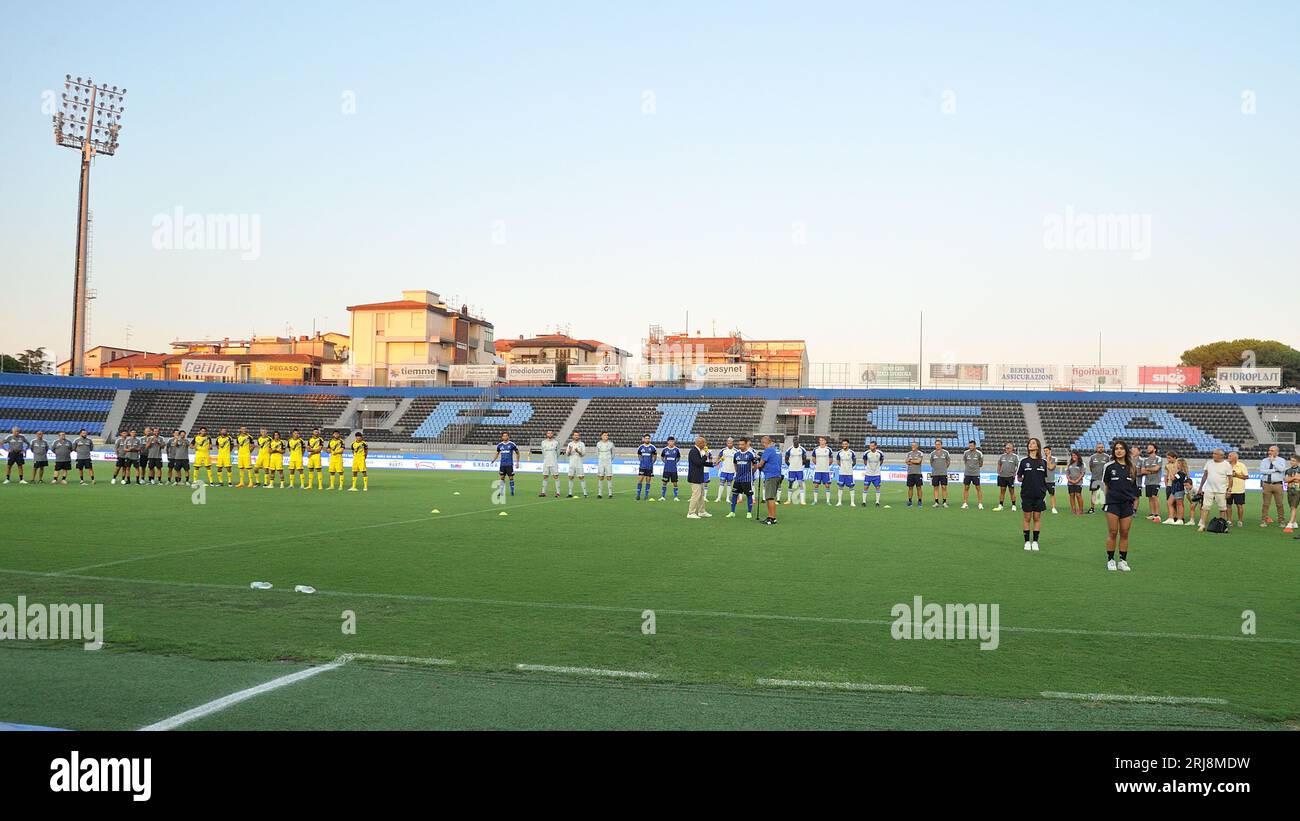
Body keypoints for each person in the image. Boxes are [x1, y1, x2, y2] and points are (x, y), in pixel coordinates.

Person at [1102, 440, 1140, 571]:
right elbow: (1106, 486)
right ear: (1114, 451)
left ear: (1126, 451)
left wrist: (1134, 506)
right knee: (1113, 532)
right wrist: (1105, 502)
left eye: (1121, 448)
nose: (1119, 450)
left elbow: (1134, 488)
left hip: (1127, 505)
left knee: (1124, 533)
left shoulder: (1132, 468)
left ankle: (1123, 561)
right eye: (1116, 448)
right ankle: (1110, 559)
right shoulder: (1109, 466)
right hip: (1113, 504)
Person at [1016, 438, 1048, 551]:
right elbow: (1019, 477)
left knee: (1037, 518)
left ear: (1038, 446)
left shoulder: (1043, 462)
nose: (1030, 444)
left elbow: (1044, 478)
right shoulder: (1024, 461)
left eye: (1033, 443)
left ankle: (1035, 541)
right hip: (1026, 494)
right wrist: (1024, 479)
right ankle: (1026, 542)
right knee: (1027, 518)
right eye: (1029, 443)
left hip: (1039, 495)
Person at [1197, 448, 1233, 532]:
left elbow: (1230, 478)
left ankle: (1222, 525)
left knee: (1222, 508)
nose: (1213, 455)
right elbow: (1205, 476)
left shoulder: (1227, 465)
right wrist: (1200, 487)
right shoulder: (1209, 463)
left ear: (1221, 456)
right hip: (1209, 489)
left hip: (1221, 490)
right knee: (1205, 507)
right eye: (1213, 453)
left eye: (1216, 454)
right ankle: (1202, 525)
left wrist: (1229, 490)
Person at [726, 437, 756, 519]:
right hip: (738, 479)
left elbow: (755, 465)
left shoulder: (750, 454)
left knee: (749, 495)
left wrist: (751, 473)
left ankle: (749, 512)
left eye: (742, 444)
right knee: (734, 494)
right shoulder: (736, 454)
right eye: (739, 444)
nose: (740, 446)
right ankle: (732, 512)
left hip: (747, 479)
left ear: (746, 444)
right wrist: (737, 473)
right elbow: (735, 464)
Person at [1259, 445, 1288, 527]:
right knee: (1265, 504)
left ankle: (1281, 521)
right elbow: (1262, 471)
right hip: (1267, 484)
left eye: (1272, 450)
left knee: (1280, 504)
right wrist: (1274, 470)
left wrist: (1273, 462)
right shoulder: (1264, 460)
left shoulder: (1281, 460)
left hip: (1278, 485)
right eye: (1269, 450)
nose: (1269, 452)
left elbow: (1282, 469)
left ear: (1277, 452)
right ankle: (1263, 521)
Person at [686, 435, 713, 519]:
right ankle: (691, 513)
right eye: (704, 443)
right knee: (696, 495)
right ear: (699, 443)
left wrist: (712, 464)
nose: (705, 445)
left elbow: (701, 463)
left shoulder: (697, 451)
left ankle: (701, 511)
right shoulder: (693, 451)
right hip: (695, 477)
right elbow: (698, 463)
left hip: (698, 476)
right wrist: (706, 456)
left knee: (701, 495)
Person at [757, 435, 783, 524]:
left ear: (765, 443)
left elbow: (760, 464)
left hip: (771, 475)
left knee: (770, 497)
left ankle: (772, 518)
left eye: (763, 444)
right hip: (777, 475)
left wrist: (756, 464)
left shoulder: (768, 450)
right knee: (770, 497)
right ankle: (770, 516)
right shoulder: (777, 450)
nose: (763, 446)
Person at [1138, 443, 1163, 521]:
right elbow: (1142, 471)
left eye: (1150, 447)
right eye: (1147, 447)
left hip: (1156, 481)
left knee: (1154, 497)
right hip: (1147, 481)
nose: (1148, 449)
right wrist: (1151, 470)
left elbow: (1157, 469)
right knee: (1150, 498)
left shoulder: (1158, 458)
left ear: (1154, 449)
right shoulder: (1145, 460)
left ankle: (1157, 514)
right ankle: (1152, 513)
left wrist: (1148, 469)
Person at [1226, 451, 1248, 527]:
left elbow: (1246, 477)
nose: (1228, 457)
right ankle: (1229, 520)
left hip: (1239, 489)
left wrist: (1236, 475)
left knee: (1239, 505)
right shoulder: (1225, 465)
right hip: (1227, 489)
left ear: (1235, 457)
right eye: (1228, 456)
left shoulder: (1241, 465)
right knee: (1228, 505)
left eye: (1230, 456)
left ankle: (1240, 521)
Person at [994, 443, 1019, 511]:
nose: (1007, 449)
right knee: (1002, 491)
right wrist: (998, 471)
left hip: (1010, 476)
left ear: (1012, 448)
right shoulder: (1002, 456)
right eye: (1006, 448)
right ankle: (1000, 505)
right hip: (1002, 476)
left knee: (1012, 491)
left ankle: (1013, 505)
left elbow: (1018, 466)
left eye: (1008, 448)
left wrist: (1015, 473)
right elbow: (999, 464)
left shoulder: (1015, 457)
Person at [1164, 458, 1189, 525]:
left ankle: (1180, 519)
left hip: (1179, 490)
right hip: (1174, 490)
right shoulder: (1178, 472)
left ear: (1181, 464)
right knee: (1169, 502)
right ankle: (1171, 518)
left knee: (1179, 504)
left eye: (1177, 463)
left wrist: (1170, 470)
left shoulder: (1182, 473)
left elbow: (1173, 479)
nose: (1176, 464)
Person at [960, 440, 984, 510]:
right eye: (969, 445)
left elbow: (981, 464)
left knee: (978, 488)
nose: (970, 447)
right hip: (967, 473)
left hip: (976, 473)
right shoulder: (966, 453)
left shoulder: (979, 453)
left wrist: (975, 468)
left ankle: (980, 504)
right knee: (966, 488)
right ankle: (965, 503)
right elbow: (965, 461)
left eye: (971, 445)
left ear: (975, 446)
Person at [782, 438, 807, 505]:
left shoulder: (802, 449)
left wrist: (801, 466)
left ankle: (802, 501)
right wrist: (790, 466)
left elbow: (805, 459)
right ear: (793, 441)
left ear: (799, 441)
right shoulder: (789, 449)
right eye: (794, 440)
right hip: (791, 470)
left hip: (799, 470)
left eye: (797, 440)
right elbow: (786, 459)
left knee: (800, 484)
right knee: (790, 484)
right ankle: (789, 500)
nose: (796, 442)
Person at [861, 440, 885, 508]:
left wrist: (877, 467)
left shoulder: (880, 453)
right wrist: (869, 467)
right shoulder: (866, 453)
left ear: (875, 446)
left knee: (877, 487)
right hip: (868, 474)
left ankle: (877, 502)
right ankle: (864, 501)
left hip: (877, 474)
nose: (871, 447)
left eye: (872, 446)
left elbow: (882, 460)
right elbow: (865, 461)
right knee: (865, 487)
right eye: (870, 445)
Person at [810, 437, 833, 506]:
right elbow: (813, 459)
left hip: (826, 471)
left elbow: (831, 460)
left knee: (827, 485)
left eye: (822, 440)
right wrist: (818, 465)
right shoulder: (816, 449)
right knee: (816, 485)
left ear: (825, 441)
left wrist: (826, 465)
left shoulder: (828, 449)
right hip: (818, 471)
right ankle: (815, 500)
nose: (821, 441)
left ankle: (828, 501)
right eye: (820, 440)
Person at [1086, 442, 1108, 514]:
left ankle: (1105, 506)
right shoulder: (1093, 457)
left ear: (1103, 448)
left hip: (1104, 479)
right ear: (1096, 448)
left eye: (1101, 447)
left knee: (1105, 493)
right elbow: (1091, 467)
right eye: (1099, 447)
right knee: (1094, 493)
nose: (1100, 448)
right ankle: (1092, 508)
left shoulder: (1107, 457)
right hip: (1095, 478)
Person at [929, 438, 951, 508]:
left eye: (938, 444)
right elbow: (931, 463)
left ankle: (944, 502)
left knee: (944, 487)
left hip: (943, 473)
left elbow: (948, 461)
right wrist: (936, 468)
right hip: (935, 473)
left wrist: (944, 468)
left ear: (941, 445)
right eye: (936, 444)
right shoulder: (932, 453)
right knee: (935, 487)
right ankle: (936, 502)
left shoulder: (946, 452)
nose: (937, 446)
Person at [567, 432, 590, 499]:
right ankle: (570, 493)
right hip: (571, 463)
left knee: (581, 477)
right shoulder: (570, 444)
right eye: (575, 435)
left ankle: (585, 493)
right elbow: (567, 454)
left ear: (579, 436)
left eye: (577, 435)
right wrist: (570, 450)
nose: (576, 436)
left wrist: (578, 451)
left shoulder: (582, 444)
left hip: (579, 463)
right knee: (570, 477)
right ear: (573, 436)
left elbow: (583, 454)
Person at [539, 430, 561, 498]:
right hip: (546, 462)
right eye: (548, 433)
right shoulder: (543, 442)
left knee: (556, 476)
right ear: (547, 434)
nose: (550, 434)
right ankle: (543, 492)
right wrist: (546, 458)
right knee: (545, 476)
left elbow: (558, 452)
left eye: (551, 433)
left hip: (553, 462)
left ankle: (558, 492)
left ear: (552, 434)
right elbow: (543, 452)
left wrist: (554, 458)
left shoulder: (556, 442)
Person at [835, 440, 857, 507]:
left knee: (851, 487)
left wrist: (849, 467)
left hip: (849, 473)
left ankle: (852, 502)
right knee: (840, 487)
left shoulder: (852, 452)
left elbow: (854, 462)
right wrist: (842, 467)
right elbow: (838, 461)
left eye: (845, 444)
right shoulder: (839, 453)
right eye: (843, 444)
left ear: (848, 444)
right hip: (842, 473)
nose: (844, 445)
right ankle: (839, 502)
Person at [714, 437, 737, 503]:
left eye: (731, 443)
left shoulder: (736, 451)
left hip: (732, 471)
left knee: (729, 484)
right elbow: (719, 457)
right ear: (727, 443)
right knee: (721, 483)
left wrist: (736, 470)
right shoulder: (723, 450)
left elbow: (737, 461)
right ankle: (718, 498)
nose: (729, 444)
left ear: (733, 443)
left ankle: (727, 498)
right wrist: (717, 464)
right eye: (728, 443)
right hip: (724, 470)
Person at [635, 435, 657, 501]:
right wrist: (641, 461)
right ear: (644, 439)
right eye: (646, 438)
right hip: (642, 466)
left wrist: (652, 462)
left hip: (649, 467)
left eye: (648, 438)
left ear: (649, 439)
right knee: (640, 480)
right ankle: (638, 495)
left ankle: (646, 495)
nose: (647, 439)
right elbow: (639, 455)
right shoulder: (641, 447)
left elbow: (655, 456)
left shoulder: (652, 447)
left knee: (648, 481)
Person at [903, 440, 925, 508]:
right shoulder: (908, 453)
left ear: (917, 446)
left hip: (918, 473)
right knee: (910, 488)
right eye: (912, 445)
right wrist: (911, 461)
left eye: (914, 445)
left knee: (919, 487)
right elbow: (906, 461)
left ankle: (920, 501)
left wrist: (911, 460)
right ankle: (910, 501)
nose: (913, 446)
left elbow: (918, 461)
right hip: (910, 473)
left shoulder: (920, 453)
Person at [1283, 454, 1300, 534]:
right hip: (1289, 490)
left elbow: (1298, 479)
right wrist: (1294, 478)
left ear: (1298, 462)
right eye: (1291, 460)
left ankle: (1290, 524)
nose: (1291, 462)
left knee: (1293, 506)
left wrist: (1291, 479)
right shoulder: (1288, 470)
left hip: (1297, 490)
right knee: (1291, 506)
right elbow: (1286, 480)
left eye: (1293, 460)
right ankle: (1294, 522)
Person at [596, 432, 615, 499]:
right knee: (601, 477)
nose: (606, 436)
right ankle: (599, 493)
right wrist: (601, 459)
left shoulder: (611, 444)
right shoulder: (598, 443)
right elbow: (597, 453)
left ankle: (610, 493)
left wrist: (609, 459)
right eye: (604, 435)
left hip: (608, 462)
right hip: (601, 462)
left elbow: (613, 454)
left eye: (607, 435)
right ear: (601, 436)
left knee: (609, 477)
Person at [1043, 445, 1059, 514]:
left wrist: (1048, 459)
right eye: (1044, 451)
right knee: (1041, 494)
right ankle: (1042, 506)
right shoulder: (1042, 459)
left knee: (1052, 494)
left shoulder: (1054, 459)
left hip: (1051, 480)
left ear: (1050, 451)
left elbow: (1051, 467)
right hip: (1042, 480)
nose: (1045, 452)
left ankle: (1053, 508)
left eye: (1046, 451)